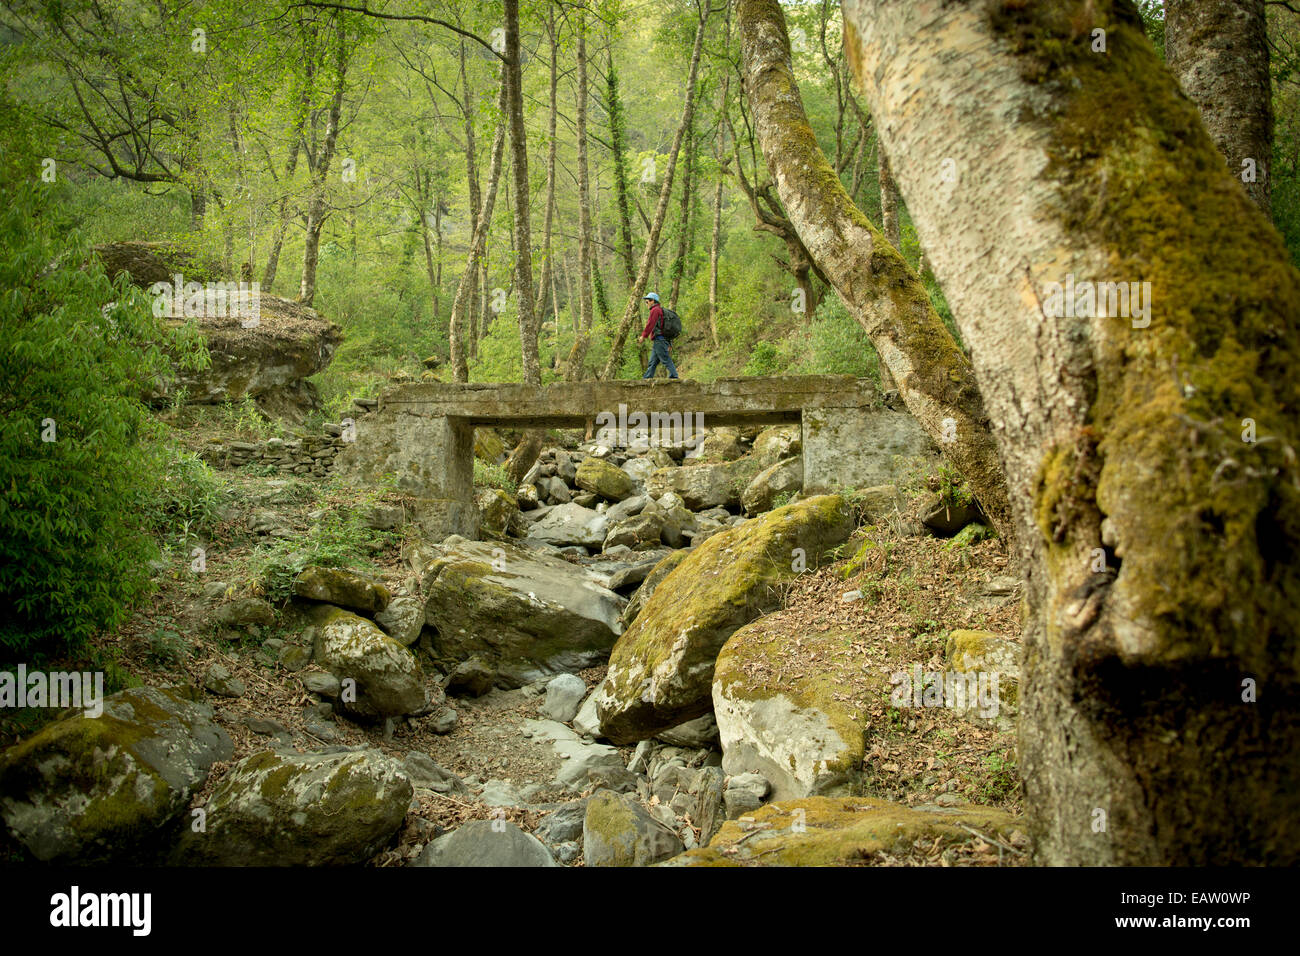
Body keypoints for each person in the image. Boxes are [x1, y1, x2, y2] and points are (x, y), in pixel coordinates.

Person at [638, 292, 679, 380]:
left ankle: (674, 375)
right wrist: (669, 343)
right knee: (653, 361)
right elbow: (664, 328)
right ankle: (647, 377)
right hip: (660, 340)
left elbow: (651, 324)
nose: (646, 304)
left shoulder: (655, 310)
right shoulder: (659, 310)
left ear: (652, 301)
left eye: (647, 301)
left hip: (659, 340)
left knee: (665, 358)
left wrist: (643, 336)